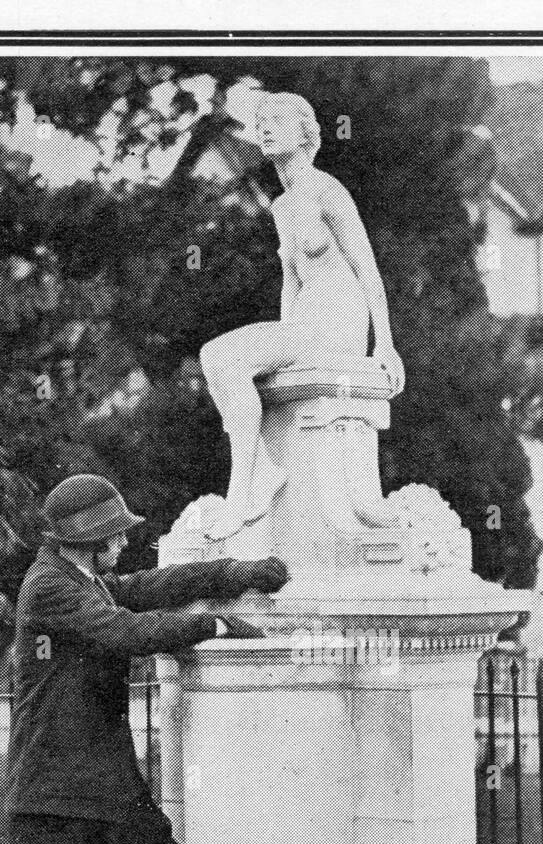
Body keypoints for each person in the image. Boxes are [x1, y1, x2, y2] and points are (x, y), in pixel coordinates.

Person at [0, 473, 288, 844]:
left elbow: (146, 587)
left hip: (100, 771)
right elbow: (121, 633)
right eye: (117, 534)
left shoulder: (82, 577)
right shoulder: (52, 587)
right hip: (54, 776)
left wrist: (231, 575)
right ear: (90, 538)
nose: (124, 542)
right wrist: (214, 622)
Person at [199, 91, 405, 540]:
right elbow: (292, 281)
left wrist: (384, 343)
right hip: (305, 327)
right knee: (216, 356)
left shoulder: (327, 190)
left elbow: (367, 267)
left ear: (306, 134)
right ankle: (265, 468)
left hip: (336, 329)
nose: (265, 127)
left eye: (277, 120)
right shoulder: (283, 205)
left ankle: (244, 491)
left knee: (223, 356)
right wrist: (279, 343)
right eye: (261, 121)